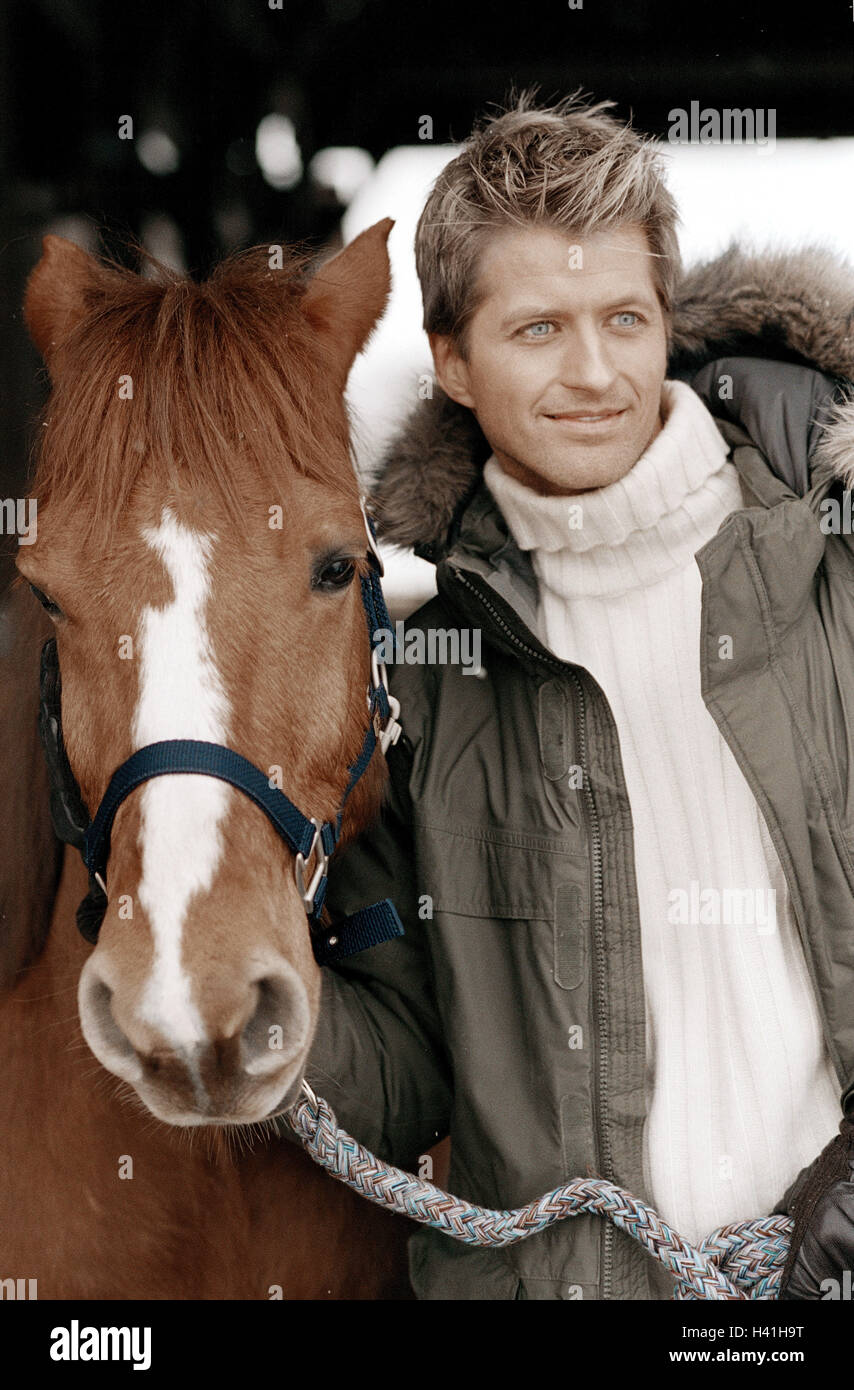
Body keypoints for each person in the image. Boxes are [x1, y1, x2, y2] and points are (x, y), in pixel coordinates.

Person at [279, 90, 854, 1299]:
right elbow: (410, 1064)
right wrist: (247, 1021)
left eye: (623, 319)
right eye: (537, 329)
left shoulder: (832, 574)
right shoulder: (416, 683)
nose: (593, 373)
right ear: (449, 358)